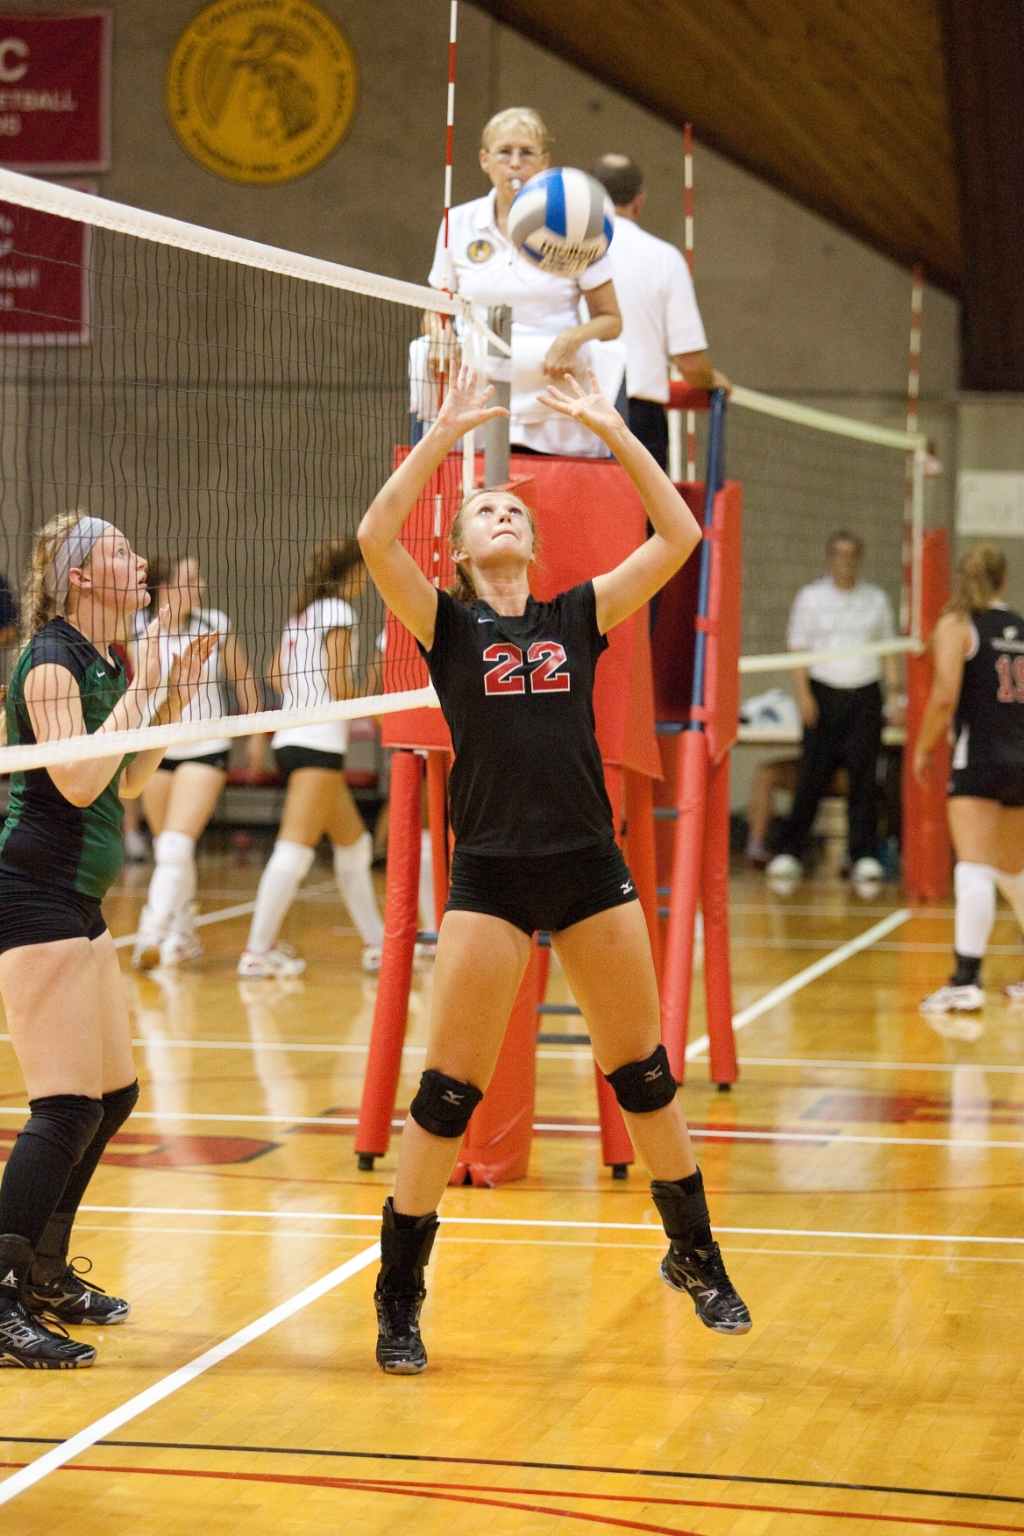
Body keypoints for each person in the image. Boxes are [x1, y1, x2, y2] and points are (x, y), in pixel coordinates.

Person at [357, 361, 751, 1375]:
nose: (501, 514)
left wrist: (614, 432)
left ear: (531, 543)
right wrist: (445, 433)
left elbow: (680, 537)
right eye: (483, 511)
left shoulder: (576, 615)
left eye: (511, 509)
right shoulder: (446, 625)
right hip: (489, 874)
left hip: (588, 869)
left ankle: (695, 1256)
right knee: (449, 1094)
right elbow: (372, 539)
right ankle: (398, 1298)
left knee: (645, 1077)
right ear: (460, 546)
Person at [0, 512, 215, 1366]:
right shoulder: (52, 662)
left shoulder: (109, 659)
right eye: (122, 551)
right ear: (82, 578)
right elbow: (77, 775)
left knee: (114, 1095)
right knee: (65, 1105)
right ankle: (3, 1293)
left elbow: (125, 780)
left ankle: (45, 1270)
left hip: (77, 898)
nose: (139, 560)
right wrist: (140, 690)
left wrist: (165, 697)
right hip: (31, 893)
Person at [416, 107, 625, 458]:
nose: (515, 163)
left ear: (544, 162)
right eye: (504, 152)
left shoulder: (577, 219)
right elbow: (436, 305)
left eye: (526, 153)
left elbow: (612, 321)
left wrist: (572, 338)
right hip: (478, 377)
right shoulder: (459, 221)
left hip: (552, 375)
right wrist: (439, 335)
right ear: (485, 160)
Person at [238, 540, 384, 977]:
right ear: (351, 572)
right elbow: (340, 686)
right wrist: (380, 710)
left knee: (354, 845)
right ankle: (257, 951)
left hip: (291, 734)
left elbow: (274, 675)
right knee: (295, 849)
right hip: (318, 740)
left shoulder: (302, 614)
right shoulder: (339, 612)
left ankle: (379, 945)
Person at [132, 555, 261, 970]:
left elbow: (245, 681)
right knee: (171, 849)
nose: (200, 584)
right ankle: (185, 932)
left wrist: (257, 734)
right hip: (155, 746)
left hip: (205, 745)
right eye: (190, 578)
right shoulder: (138, 629)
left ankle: (150, 933)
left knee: (175, 844)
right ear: (166, 588)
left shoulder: (214, 625)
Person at [914, 545, 1024, 1015]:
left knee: (975, 867)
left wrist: (921, 746)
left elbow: (944, 696)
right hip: (1021, 759)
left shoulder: (957, 624)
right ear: (1002, 582)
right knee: (1015, 870)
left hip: (979, 758)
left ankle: (965, 980)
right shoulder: (1020, 626)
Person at [766, 531, 900, 886]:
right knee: (811, 775)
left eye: (852, 554)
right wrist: (803, 695)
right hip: (824, 695)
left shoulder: (875, 599)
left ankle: (863, 855)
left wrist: (896, 696)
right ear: (830, 558)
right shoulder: (810, 598)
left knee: (863, 778)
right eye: (839, 554)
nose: (845, 560)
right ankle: (790, 851)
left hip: (865, 697)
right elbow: (798, 649)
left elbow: (888, 651)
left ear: (859, 558)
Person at [592, 153, 730, 470]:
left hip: (572, 414)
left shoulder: (562, 250)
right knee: (643, 519)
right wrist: (711, 380)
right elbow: (690, 363)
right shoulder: (663, 258)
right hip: (638, 421)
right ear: (639, 202)